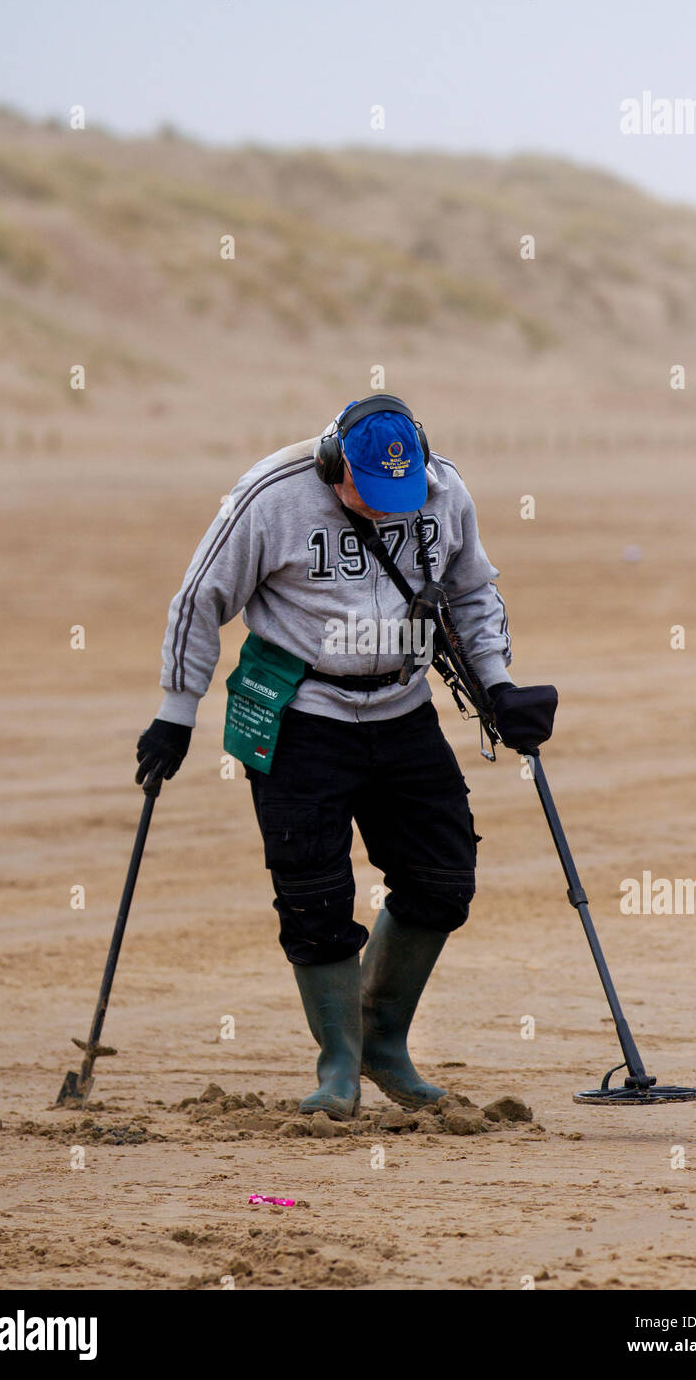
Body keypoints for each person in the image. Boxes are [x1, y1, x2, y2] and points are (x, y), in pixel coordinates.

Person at [136, 395, 554, 1120]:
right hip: (300, 713)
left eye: (403, 496)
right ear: (333, 466)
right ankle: (340, 1067)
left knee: (442, 877)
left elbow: (472, 593)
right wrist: (176, 713)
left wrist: (501, 686)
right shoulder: (271, 495)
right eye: (370, 494)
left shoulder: (444, 491)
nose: (389, 511)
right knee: (313, 893)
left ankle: (382, 1043)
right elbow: (201, 599)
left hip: (402, 707)